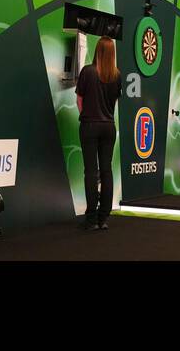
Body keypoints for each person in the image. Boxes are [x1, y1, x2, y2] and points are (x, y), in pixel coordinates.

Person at [75, 36, 121, 230]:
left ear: (97, 50)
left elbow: (79, 100)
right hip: (109, 126)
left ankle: (91, 218)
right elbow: (114, 103)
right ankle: (104, 218)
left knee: (91, 172)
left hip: (90, 125)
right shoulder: (117, 75)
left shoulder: (88, 71)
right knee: (106, 170)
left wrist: (87, 116)